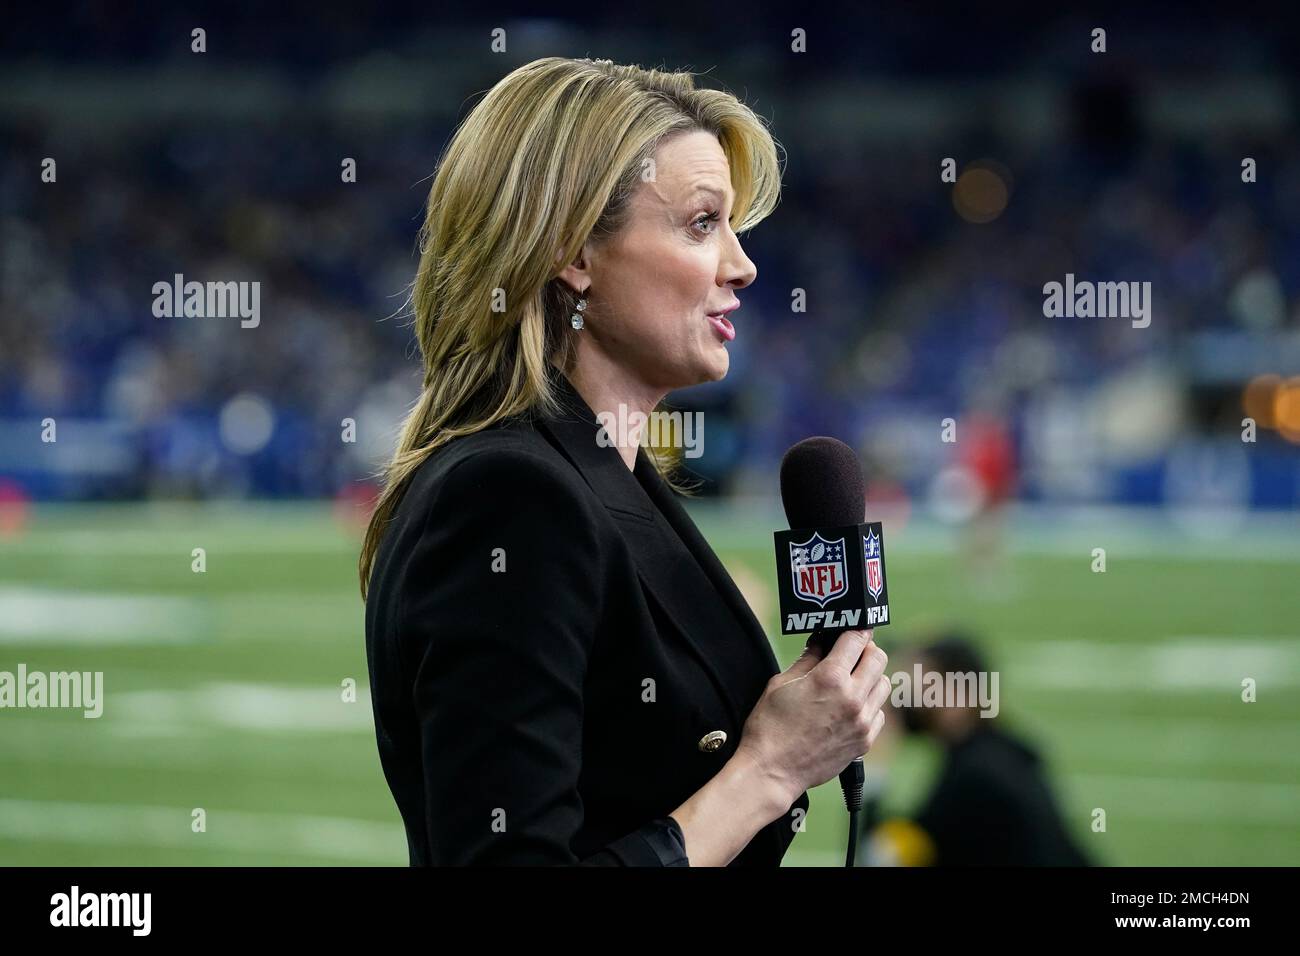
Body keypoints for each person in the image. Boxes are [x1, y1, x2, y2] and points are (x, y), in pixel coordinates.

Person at [360, 57, 892, 866]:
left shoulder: (599, 476)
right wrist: (768, 769)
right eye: (701, 223)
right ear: (573, 252)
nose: (742, 266)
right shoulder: (510, 496)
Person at [863, 634, 1092, 866]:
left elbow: (879, 859)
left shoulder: (974, 778)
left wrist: (874, 767)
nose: (903, 701)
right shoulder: (1006, 751)